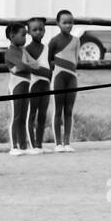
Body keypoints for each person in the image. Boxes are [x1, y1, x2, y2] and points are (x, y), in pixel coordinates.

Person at [48, 9, 79, 151]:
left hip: (72, 78)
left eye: (70, 22)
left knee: (69, 110)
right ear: (57, 24)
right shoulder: (54, 41)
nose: (68, 25)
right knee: (58, 109)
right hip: (58, 77)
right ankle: (58, 143)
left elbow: (76, 59)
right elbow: (49, 60)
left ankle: (67, 142)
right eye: (64, 22)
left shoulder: (76, 40)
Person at [4, 22, 32, 155]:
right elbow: (24, 66)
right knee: (16, 116)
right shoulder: (10, 52)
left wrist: (27, 65)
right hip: (16, 85)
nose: (25, 38)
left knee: (23, 116)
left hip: (26, 84)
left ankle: (23, 146)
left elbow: (31, 64)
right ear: (12, 35)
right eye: (22, 35)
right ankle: (14, 146)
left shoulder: (23, 51)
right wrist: (28, 65)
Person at [25, 17, 51, 153]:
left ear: (45, 30)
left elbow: (50, 65)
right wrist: (47, 72)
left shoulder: (46, 48)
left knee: (42, 115)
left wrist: (49, 74)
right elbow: (31, 67)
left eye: (41, 29)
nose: (38, 32)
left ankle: (39, 145)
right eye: (34, 30)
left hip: (46, 85)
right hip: (33, 84)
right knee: (32, 114)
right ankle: (32, 145)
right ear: (28, 32)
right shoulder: (27, 49)